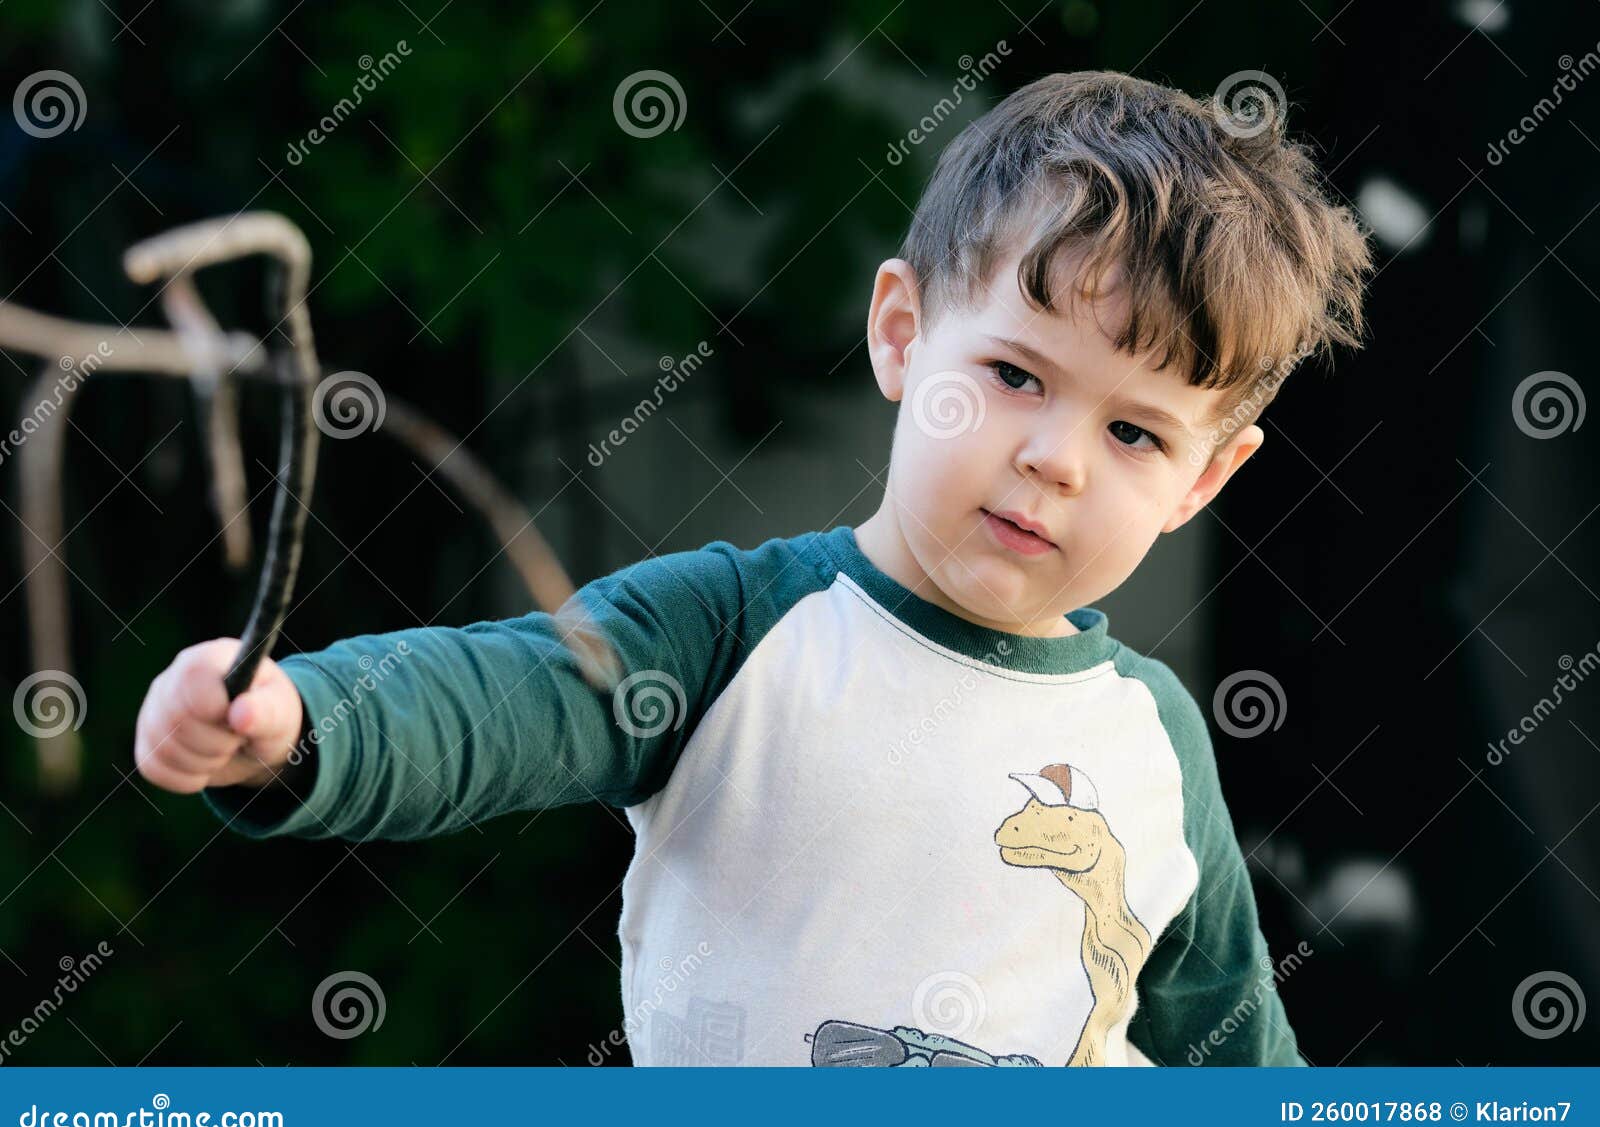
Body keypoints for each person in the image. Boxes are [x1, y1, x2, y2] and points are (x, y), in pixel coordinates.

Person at [134, 70, 1372, 1066]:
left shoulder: (1150, 740)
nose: (1054, 458)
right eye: (1014, 375)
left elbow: (1234, 1050)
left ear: (1202, 480)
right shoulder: (735, 628)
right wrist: (304, 726)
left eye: (1133, 432)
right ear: (902, 334)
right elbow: (501, 697)